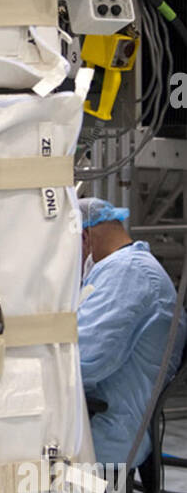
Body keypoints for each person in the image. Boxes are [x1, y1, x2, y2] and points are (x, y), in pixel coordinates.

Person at [78, 197, 187, 471]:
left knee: (5, 478)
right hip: (104, 428)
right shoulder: (121, 270)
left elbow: (83, 364)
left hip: (106, 441)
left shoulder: (129, 273)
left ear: (83, 237)